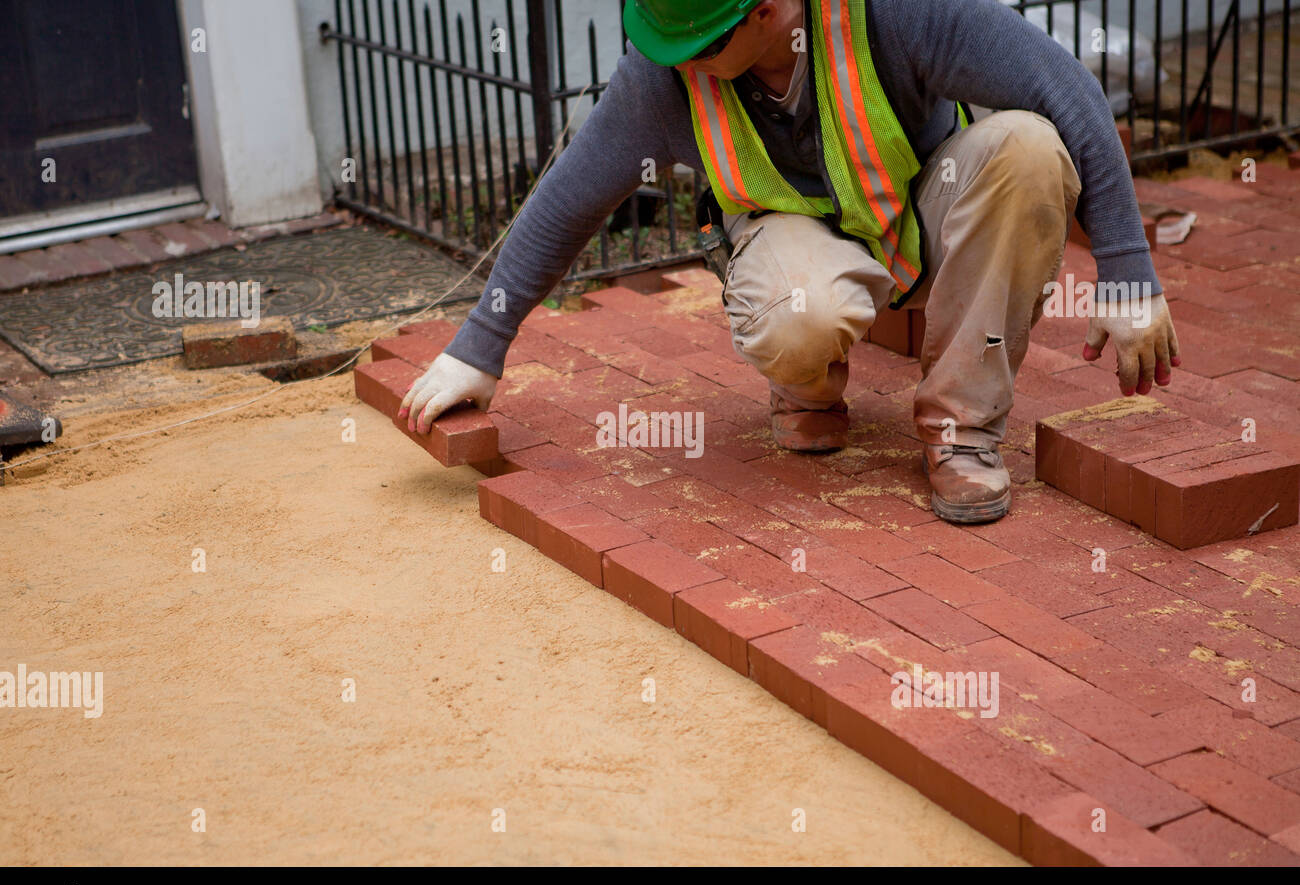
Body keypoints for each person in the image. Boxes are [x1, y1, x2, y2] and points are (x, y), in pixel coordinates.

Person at [399, 0, 1181, 523]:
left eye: (701, 48)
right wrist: (479, 348)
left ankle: (962, 429)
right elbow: (567, 202)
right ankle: (805, 384)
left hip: (931, 214)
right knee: (803, 316)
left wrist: (1128, 271)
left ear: (768, 10)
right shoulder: (661, 77)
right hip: (794, 248)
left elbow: (1066, 88)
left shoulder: (894, 13)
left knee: (1031, 149)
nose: (680, 63)